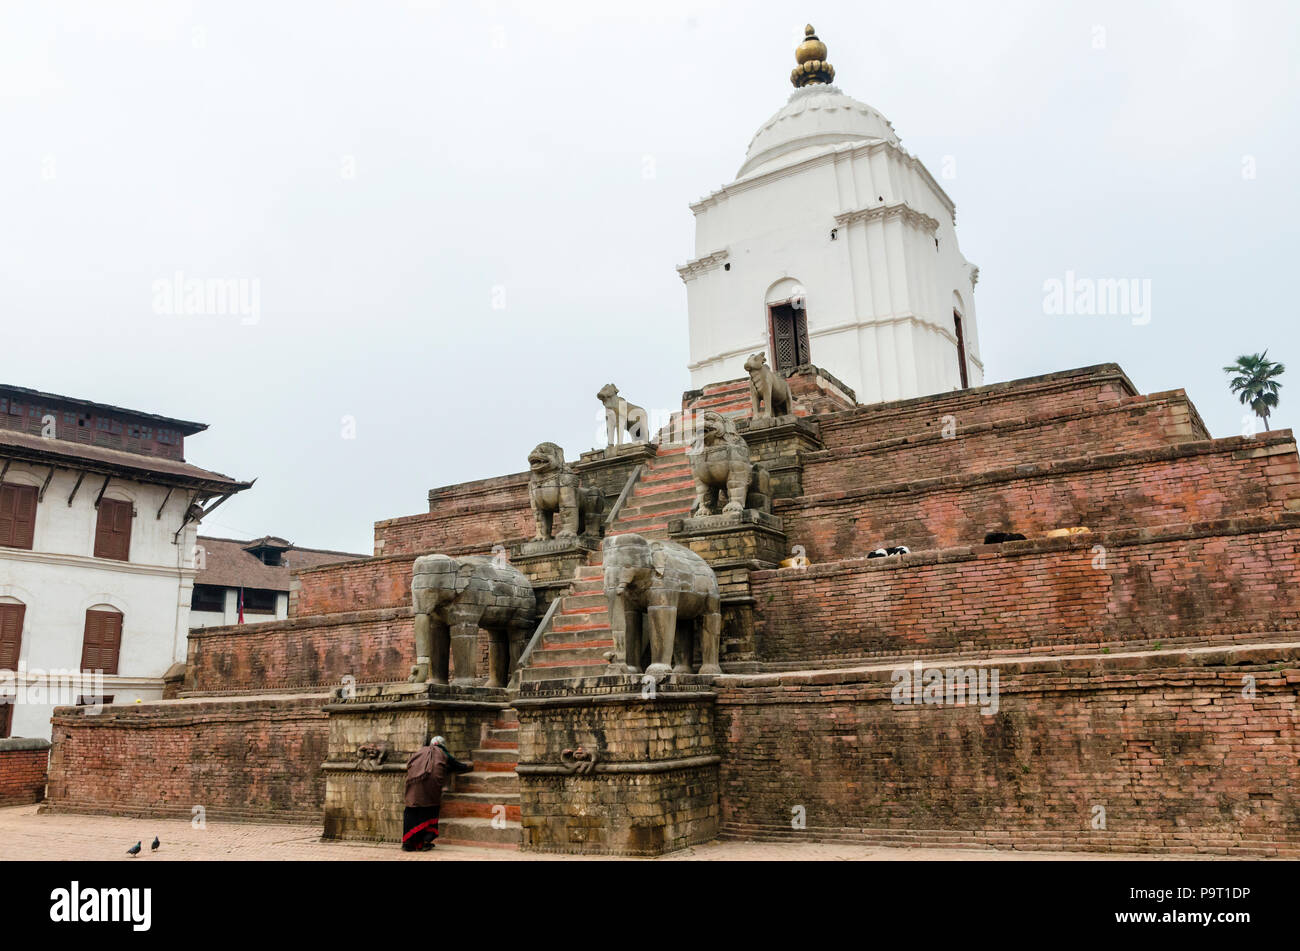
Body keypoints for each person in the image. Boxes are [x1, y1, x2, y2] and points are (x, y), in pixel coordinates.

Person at [402, 734, 472, 852]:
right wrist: (468, 765)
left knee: (411, 810)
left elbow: (409, 764)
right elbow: (458, 765)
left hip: (413, 785)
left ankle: (408, 843)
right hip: (430, 789)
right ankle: (425, 842)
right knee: (429, 810)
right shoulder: (442, 752)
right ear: (442, 745)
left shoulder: (420, 751)